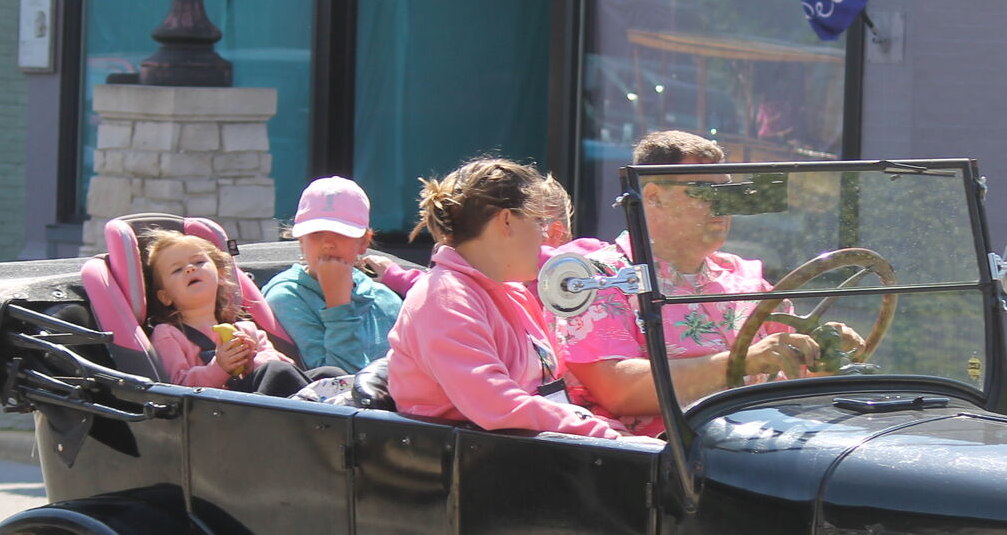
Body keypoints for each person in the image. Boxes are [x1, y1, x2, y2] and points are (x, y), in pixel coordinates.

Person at [555, 131, 820, 429]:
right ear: (654, 196)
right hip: (664, 460)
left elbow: (797, 373)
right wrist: (739, 362)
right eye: (705, 192)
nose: (721, 207)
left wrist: (822, 355)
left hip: (765, 442)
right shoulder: (601, 278)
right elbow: (618, 390)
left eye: (728, 194)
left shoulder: (746, 278)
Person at [384, 158, 634, 439]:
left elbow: (545, 389)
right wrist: (605, 434)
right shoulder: (444, 298)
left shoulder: (510, 292)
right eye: (538, 221)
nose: (544, 235)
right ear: (506, 221)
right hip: (470, 466)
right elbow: (497, 404)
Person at [262, 176, 404, 373]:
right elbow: (336, 381)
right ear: (301, 241)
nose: (328, 243)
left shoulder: (387, 299)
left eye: (341, 233)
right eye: (316, 233)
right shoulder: (285, 297)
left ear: (364, 242)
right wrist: (338, 305)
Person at [143, 232, 311, 396]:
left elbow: (289, 366)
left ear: (221, 275)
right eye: (177, 269)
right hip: (220, 412)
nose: (190, 268)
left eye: (199, 261)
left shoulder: (246, 330)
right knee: (276, 370)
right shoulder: (168, 335)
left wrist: (251, 361)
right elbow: (176, 386)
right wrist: (219, 368)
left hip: (263, 399)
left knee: (329, 373)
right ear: (165, 297)